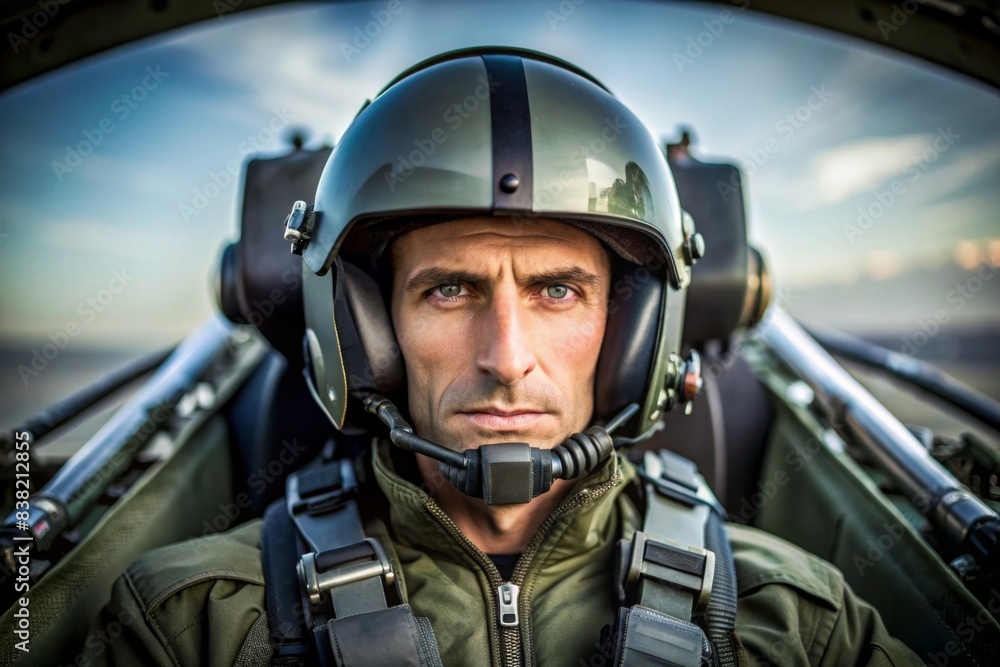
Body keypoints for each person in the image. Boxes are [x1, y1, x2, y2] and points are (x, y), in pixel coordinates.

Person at [82, 48, 920, 666]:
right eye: (449, 290)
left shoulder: (802, 626)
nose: (507, 358)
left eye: (558, 291)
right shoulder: (193, 626)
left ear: (633, 335)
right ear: (364, 334)